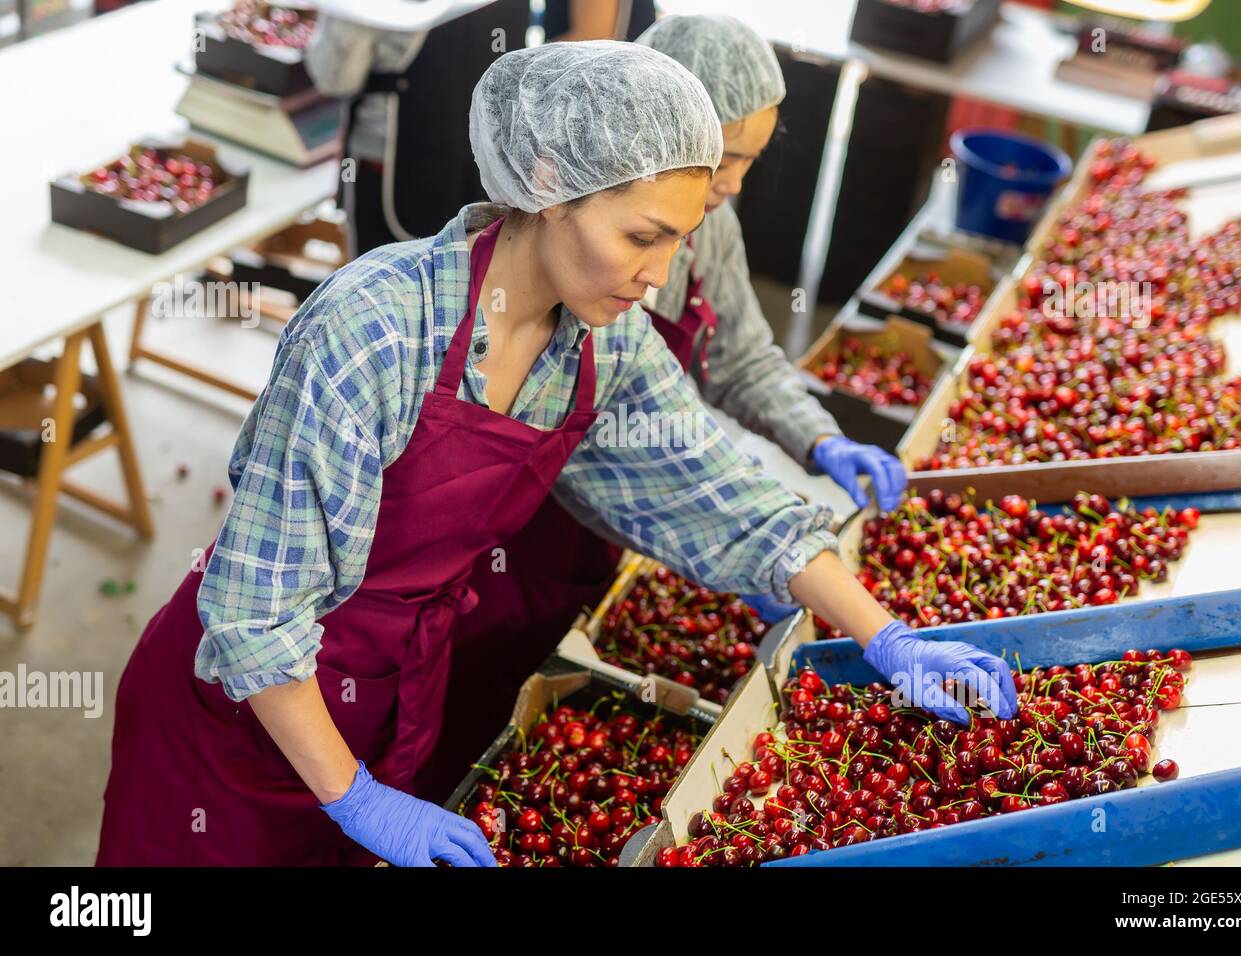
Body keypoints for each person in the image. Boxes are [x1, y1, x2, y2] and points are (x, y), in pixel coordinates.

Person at [97, 42, 1014, 867]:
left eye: (679, 242)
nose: (661, 275)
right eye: (641, 237)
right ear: (546, 183)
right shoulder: (373, 334)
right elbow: (256, 618)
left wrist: (885, 634)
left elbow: (720, 489)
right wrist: (360, 800)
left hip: (390, 697)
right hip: (235, 729)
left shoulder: (601, 342)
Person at [436, 15, 910, 791]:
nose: (732, 186)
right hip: (490, 554)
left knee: (488, 738)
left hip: (598, 533)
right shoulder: (412, 321)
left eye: (753, 160)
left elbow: (706, 430)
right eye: (730, 155)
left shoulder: (637, 307)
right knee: (462, 700)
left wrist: (819, 453)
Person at [305, 0, 532, 255]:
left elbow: (335, 76)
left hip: (396, 171)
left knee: (379, 287)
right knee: (465, 284)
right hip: (487, 174)